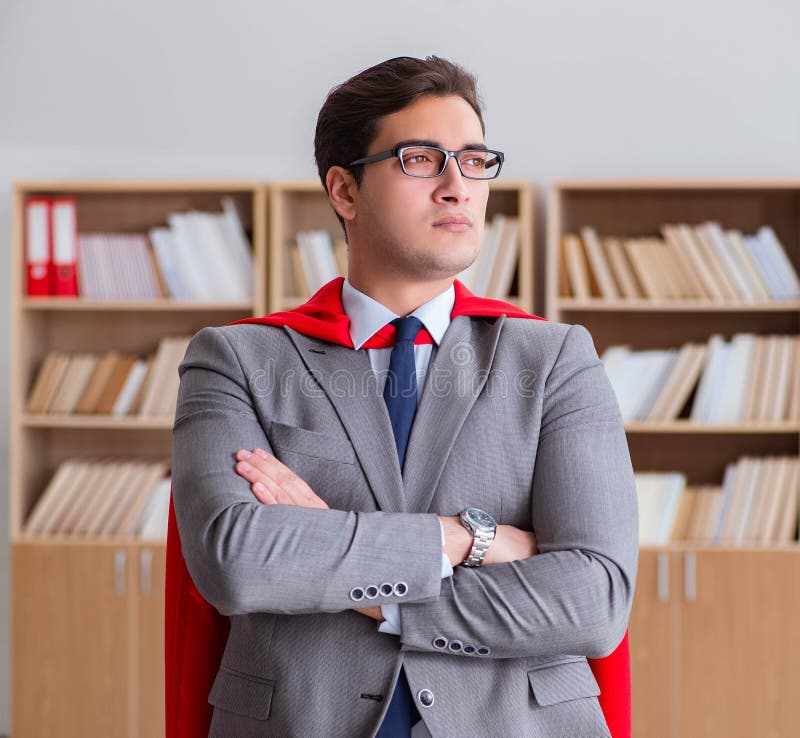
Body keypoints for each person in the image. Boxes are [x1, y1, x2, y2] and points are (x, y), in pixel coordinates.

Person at [169, 55, 638, 738]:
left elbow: (594, 602)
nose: (458, 187)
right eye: (421, 159)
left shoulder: (554, 359)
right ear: (345, 190)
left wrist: (363, 586)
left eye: (475, 161)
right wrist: (470, 540)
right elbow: (237, 561)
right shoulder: (239, 359)